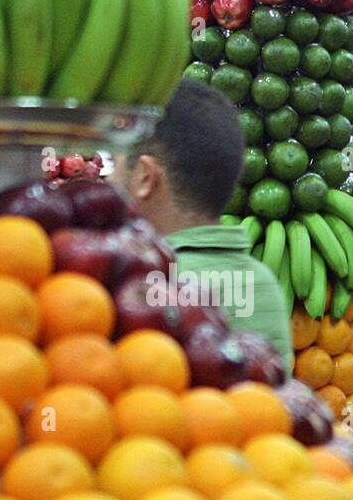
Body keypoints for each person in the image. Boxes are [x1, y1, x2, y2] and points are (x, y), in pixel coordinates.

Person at [117, 79, 293, 366]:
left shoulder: (140, 288)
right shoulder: (265, 284)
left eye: (115, 165)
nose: (107, 181)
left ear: (144, 178)